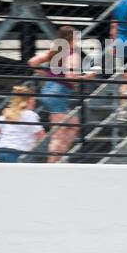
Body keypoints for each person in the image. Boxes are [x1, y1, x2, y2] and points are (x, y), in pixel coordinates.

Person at [27, 24, 91, 161]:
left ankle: (59, 157)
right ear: (71, 39)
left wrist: (46, 73)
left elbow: (32, 62)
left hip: (49, 89)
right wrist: (86, 77)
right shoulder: (72, 54)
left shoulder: (55, 51)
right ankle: (53, 163)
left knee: (72, 125)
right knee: (59, 132)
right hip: (59, 92)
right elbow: (70, 77)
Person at [0, 85, 45, 162]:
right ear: (29, 101)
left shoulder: (8, 112)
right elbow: (40, 134)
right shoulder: (30, 114)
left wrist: (9, 135)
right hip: (18, 151)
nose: (35, 102)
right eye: (34, 100)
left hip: (1, 149)